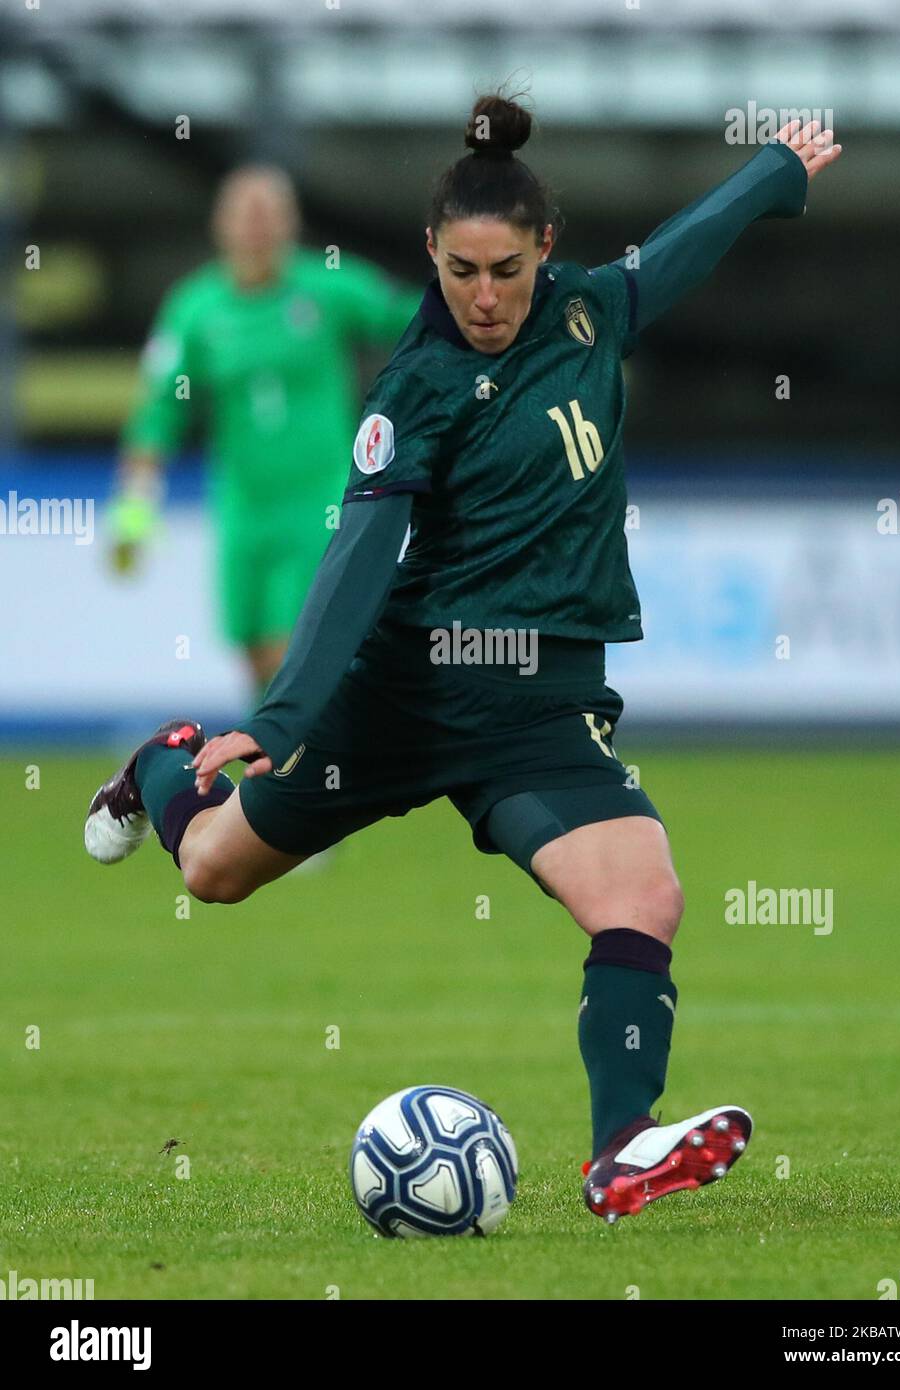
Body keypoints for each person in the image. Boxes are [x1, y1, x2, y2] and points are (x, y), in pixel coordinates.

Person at [86, 95, 841, 1222]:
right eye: (459, 271)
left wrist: (773, 174)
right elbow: (359, 551)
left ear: (545, 249)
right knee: (213, 871)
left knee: (644, 894)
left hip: (541, 702)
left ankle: (622, 1145)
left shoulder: (590, 314)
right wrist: (286, 716)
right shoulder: (418, 390)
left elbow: (677, 256)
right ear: (432, 258)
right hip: (407, 692)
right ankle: (164, 759)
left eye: (504, 269)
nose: (482, 297)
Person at [111, 164, 421, 694]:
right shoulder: (196, 309)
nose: (257, 228)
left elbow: (407, 316)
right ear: (221, 224)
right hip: (242, 507)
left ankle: (298, 768)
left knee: (291, 647)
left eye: (269, 215)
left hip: (317, 502)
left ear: (290, 224)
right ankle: (284, 764)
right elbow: (160, 409)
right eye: (245, 215)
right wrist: (136, 507)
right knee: (254, 654)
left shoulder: (327, 288)